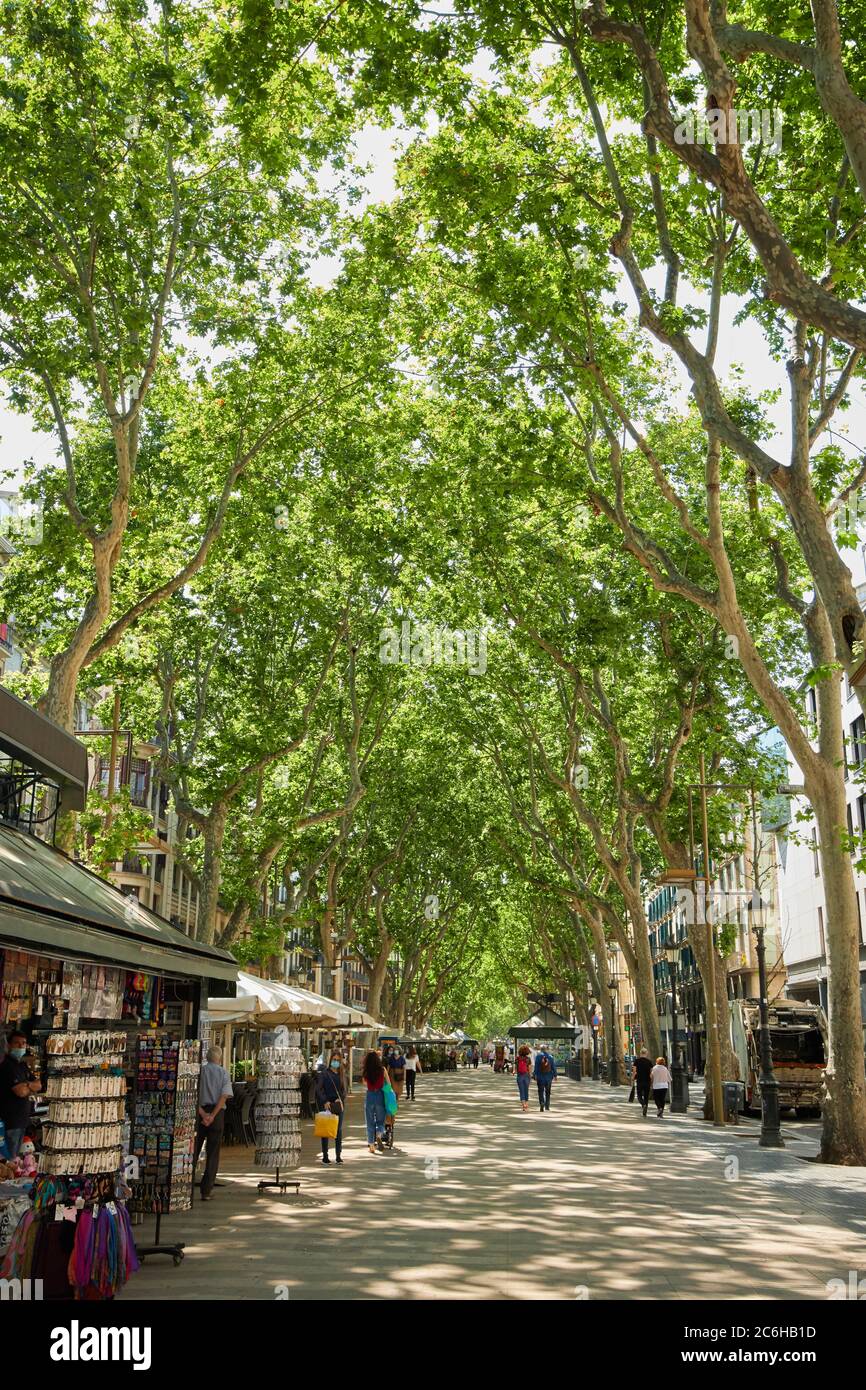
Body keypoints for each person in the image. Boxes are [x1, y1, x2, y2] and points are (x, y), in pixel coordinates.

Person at [194, 1045, 233, 1200]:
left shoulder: (199, 1072)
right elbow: (224, 1096)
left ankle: (185, 1186)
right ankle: (206, 1191)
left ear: (206, 1058)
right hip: (216, 1115)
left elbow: (192, 1093)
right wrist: (212, 1116)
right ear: (219, 1058)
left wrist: (203, 1114)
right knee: (213, 1153)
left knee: (194, 1150)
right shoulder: (223, 1073)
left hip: (200, 1113)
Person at [0, 1031, 40, 1161]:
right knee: (9, 1160)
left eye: (23, 1043)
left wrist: (26, 1085)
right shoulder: (7, 1066)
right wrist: (30, 1086)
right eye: (17, 1043)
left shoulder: (22, 1065)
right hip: (10, 1122)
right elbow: (20, 1092)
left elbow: (39, 1084)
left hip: (21, 1121)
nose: (20, 1046)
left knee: (15, 1160)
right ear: (9, 1046)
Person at [316, 1050, 346, 1164]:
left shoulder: (342, 1074)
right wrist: (325, 1101)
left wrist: (341, 1099)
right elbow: (318, 1089)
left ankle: (338, 1156)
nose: (336, 1062)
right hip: (327, 1105)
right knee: (326, 1130)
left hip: (338, 1105)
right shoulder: (325, 1073)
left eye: (338, 1060)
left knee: (338, 1131)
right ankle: (325, 1156)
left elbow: (344, 1090)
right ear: (330, 1061)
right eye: (334, 1060)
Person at [362, 1050, 388, 1153]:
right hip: (380, 1095)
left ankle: (371, 1146)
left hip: (370, 1095)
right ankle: (379, 1134)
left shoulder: (366, 1071)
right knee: (381, 1120)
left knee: (369, 1121)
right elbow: (389, 1084)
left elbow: (364, 1083)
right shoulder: (382, 1069)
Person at [533, 1046, 557, 1111]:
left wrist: (534, 1074)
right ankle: (547, 1106)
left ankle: (542, 1103)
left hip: (540, 1077)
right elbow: (553, 1067)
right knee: (548, 1092)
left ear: (541, 1050)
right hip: (549, 1077)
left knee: (540, 1091)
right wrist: (555, 1075)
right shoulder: (551, 1057)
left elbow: (536, 1067)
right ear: (546, 1050)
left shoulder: (538, 1057)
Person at [632, 1047, 653, 1117]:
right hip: (647, 1081)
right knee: (646, 1096)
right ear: (646, 1053)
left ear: (640, 1053)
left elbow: (634, 1071)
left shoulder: (636, 1061)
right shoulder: (649, 1062)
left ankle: (643, 1104)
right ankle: (645, 1110)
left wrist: (632, 1078)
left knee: (639, 1095)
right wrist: (652, 1081)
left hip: (639, 1081)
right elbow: (651, 1073)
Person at [515, 1044, 532, 1113]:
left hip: (519, 1076)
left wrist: (514, 1071)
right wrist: (530, 1075)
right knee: (526, 1090)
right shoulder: (528, 1059)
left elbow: (515, 1068)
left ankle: (523, 1105)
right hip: (526, 1075)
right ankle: (526, 1104)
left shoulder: (517, 1058)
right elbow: (529, 1068)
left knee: (521, 1091)